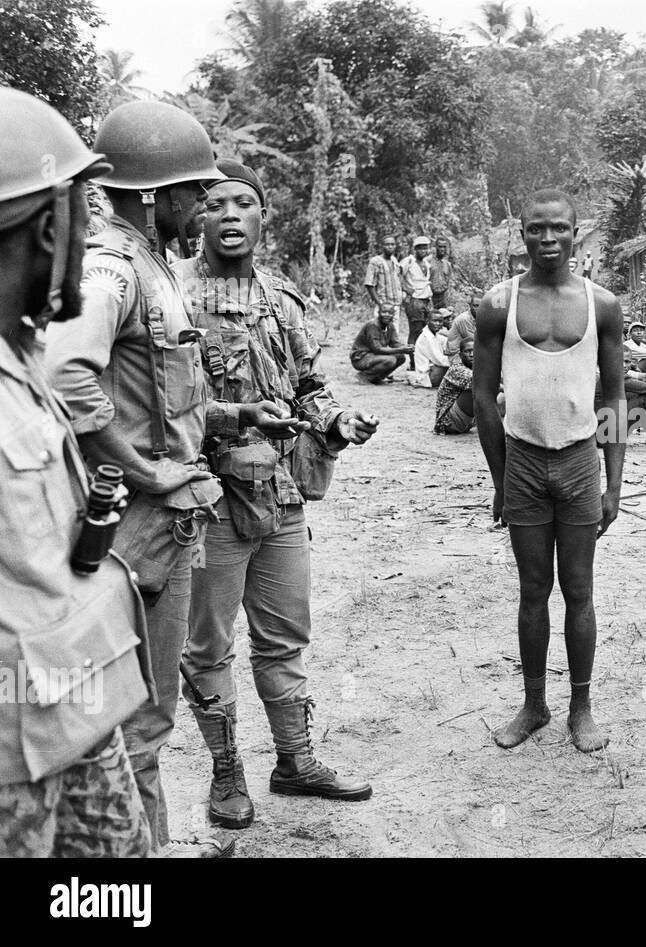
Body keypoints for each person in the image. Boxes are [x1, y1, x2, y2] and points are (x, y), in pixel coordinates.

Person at [44, 100, 254, 858]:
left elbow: (154, 393)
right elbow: (66, 372)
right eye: (194, 191)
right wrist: (142, 469)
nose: (205, 204)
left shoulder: (155, 266)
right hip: (137, 528)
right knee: (135, 723)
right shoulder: (113, 267)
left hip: (165, 523)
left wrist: (229, 416)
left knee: (148, 717)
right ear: (153, 196)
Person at [174, 158, 378, 831]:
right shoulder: (173, 297)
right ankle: (226, 771)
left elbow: (308, 385)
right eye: (216, 204)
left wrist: (336, 419)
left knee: (285, 636)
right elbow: (160, 409)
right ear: (196, 217)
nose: (230, 216)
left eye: (244, 204)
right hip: (207, 500)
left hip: (280, 494)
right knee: (208, 645)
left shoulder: (281, 295)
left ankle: (296, 760)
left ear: (264, 217)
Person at [0, 87, 152, 858]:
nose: (91, 236)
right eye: (80, 214)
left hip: (75, 712)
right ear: (44, 224)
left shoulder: (21, 360)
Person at [475, 189, 626, 753]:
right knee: (533, 589)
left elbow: (612, 396)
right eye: (536, 229)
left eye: (558, 229)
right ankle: (534, 704)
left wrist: (614, 481)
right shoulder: (498, 304)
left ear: (575, 231)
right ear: (521, 233)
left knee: (580, 590)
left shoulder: (601, 304)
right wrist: (499, 478)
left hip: (580, 461)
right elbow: (484, 397)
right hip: (525, 461)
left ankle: (580, 709)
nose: (547, 239)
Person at [351, 307, 412, 383]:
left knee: (401, 357)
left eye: (390, 313)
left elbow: (395, 343)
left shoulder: (390, 326)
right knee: (390, 360)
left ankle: (377, 378)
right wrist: (400, 350)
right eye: (384, 312)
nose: (387, 315)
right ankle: (364, 376)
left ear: (393, 315)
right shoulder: (372, 325)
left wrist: (407, 348)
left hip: (373, 356)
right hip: (361, 357)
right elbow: (377, 349)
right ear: (378, 313)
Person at [399, 236, 434, 370]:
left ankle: (421, 362)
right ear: (415, 249)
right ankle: (413, 363)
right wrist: (406, 289)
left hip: (426, 300)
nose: (423, 251)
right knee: (415, 332)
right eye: (420, 248)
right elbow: (397, 275)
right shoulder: (408, 261)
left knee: (425, 332)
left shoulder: (426, 263)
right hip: (415, 301)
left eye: (425, 248)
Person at [435, 332, 476, 436]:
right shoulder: (457, 369)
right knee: (480, 386)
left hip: (466, 422)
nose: (471, 355)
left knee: (501, 394)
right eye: (467, 351)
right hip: (448, 423)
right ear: (460, 355)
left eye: (474, 351)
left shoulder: (477, 367)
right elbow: (482, 383)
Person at [363, 236, 402, 329]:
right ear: (382, 247)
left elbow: (398, 279)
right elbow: (369, 284)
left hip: (395, 304)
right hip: (383, 304)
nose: (390, 247)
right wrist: (379, 304)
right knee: (380, 332)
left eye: (392, 244)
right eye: (387, 244)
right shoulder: (375, 261)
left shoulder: (394, 260)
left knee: (394, 333)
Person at [413, 309, 451, 388]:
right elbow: (439, 360)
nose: (437, 324)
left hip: (433, 370)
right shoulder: (426, 337)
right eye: (434, 321)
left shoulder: (435, 335)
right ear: (427, 321)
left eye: (440, 321)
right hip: (428, 376)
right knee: (448, 367)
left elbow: (448, 344)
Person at [445, 293, 481, 368]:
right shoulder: (464, 319)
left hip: (468, 353)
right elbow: (475, 341)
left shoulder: (479, 317)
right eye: (475, 306)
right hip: (457, 356)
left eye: (481, 306)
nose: (478, 309)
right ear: (470, 306)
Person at [429, 236, 454, 313]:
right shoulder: (428, 261)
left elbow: (449, 282)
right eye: (440, 246)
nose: (442, 249)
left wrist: (449, 301)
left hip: (443, 297)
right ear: (435, 247)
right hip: (431, 297)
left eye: (444, 247)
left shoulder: (447, 264)